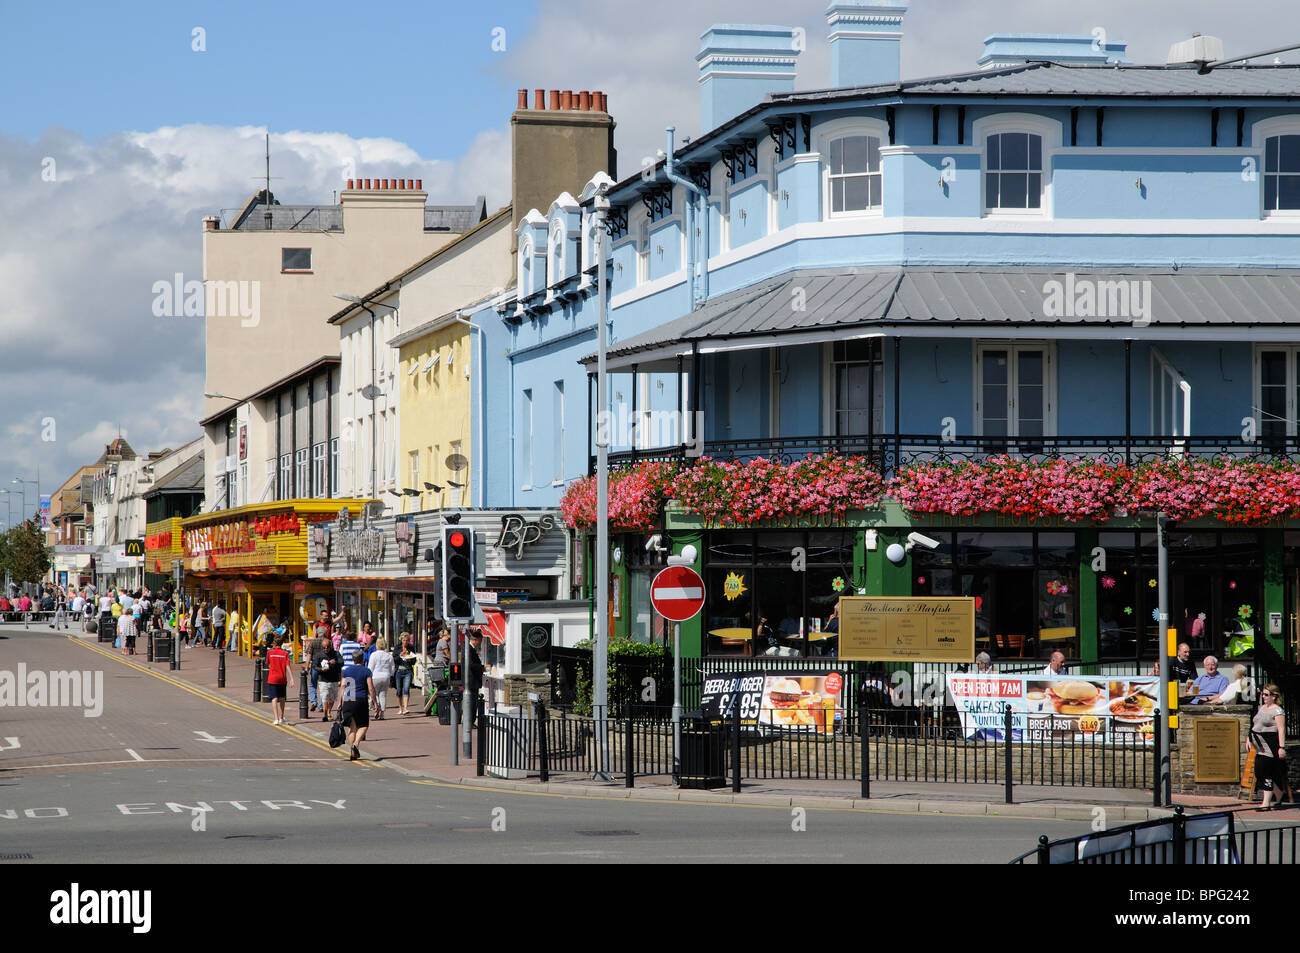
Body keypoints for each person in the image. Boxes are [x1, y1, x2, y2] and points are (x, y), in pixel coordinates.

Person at [1248, 685, 1288, 809]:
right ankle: (1279, 793)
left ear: (1274, 696)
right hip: (1258, 745)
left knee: (1266, 772)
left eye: (1266, 694)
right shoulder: (1262, 708)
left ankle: (1266, 802)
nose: (1263, 697)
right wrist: (1248, 739)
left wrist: (1281, 747)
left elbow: (1281, 730)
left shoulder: (1277, 710)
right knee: (1259, 772)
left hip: (1269, 744)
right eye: (1263, 694)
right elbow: (1255, 724)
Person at [339, 650, 375, 762]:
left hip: (348, 700)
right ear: (362, 659)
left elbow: (342, 686)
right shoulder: (366, 671)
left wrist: (340, 702)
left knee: (351, 727)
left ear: (353, 659)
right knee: (364, 725)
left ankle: (352, 753)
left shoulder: (346, 671)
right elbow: (371, 688)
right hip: (360, 699)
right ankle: (356, 744)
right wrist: (375, 702)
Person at [265, 634, 294, 726]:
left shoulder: (270, 653)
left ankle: (276, 718)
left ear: (274, 642)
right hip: (282, 678)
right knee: (282, 698)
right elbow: (288, 666)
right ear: (282, 643)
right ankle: (281, 718)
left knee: (274, 698)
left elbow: (268, 664)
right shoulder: (285, 654)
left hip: (273, 678)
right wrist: (292, 678)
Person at [314, 637, 343, 722]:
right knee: (325, 697)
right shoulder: (319, 655)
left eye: (327, 647)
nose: (326, 649)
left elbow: (342, 662)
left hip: (334, 679)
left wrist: (336, 662)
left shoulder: (336, 654)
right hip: (323, 679)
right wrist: (321, 669)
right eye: (324, 647)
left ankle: (329, 711)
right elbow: (314, 666)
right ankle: (326, 714)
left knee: (332, 698)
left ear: (331, 646)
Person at [368, 637, 395, 719]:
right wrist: (390, 674)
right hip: (386, 676)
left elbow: (370, 667)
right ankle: (382, 713)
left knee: (375, 694)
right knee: (383, 695)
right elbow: (392, 668)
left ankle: (377, 709)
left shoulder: (374, 655)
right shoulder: (389, 655)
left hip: (375, 676)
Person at [395, 634, 418, 716]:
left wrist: (410, 657)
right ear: (401, 640)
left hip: (408, 671)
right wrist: (401, 654)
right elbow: (394, 659)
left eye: (407, 640)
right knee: (399, 690)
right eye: (404, 640)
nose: (405, 642)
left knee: (406, 689)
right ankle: (400, 708)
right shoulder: (397, 648)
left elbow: (414, 660)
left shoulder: (411, 648)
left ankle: (405, 708)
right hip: (399, 671)